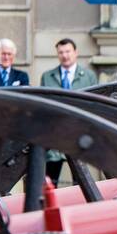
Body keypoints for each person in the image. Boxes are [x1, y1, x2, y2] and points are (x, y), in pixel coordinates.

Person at [39, 38, 97, 183]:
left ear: (75, 52)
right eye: (61, 52)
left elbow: (94, 106)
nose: (65, 55)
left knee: (80, 182)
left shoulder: (88, 76)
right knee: (50, 181)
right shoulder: (47, 76)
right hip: (54, 136)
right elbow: (44, 107)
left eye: (68, 51)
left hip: (79, 135)